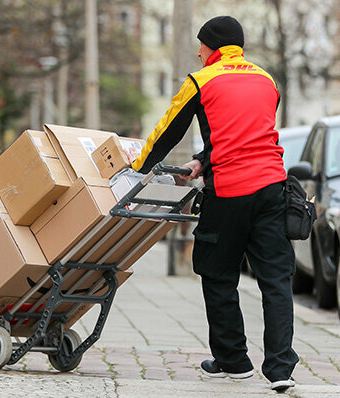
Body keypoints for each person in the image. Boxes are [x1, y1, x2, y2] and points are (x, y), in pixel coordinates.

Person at [126, 16, 298, 392]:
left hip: (231, 192)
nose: (198, 52)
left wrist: (134, 169)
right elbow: (246, 133)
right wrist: (202, 160)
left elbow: (166, 131)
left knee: (218, 274)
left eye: (201, 45)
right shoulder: (267, 80)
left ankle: (233, 360)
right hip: (272, 188)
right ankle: (282, 368)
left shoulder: (201, 80)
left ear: (212, 47)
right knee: (276, 279)